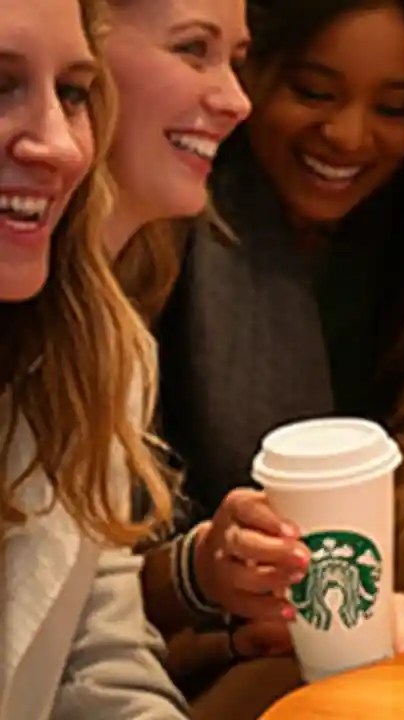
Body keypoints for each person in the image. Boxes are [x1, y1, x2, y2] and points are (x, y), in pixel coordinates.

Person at [112, 0, 404, 715]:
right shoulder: (156, 234)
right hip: (164, 662)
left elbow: (386, 545)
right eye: (313, 93)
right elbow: (84, 600)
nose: (348, 135)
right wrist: (214, 597)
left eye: (395, 107)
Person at [0, 0, 187, 716]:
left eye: (73, 92)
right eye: (0, 83)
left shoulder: (94, 356)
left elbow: (98, 668)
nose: (61, 145)